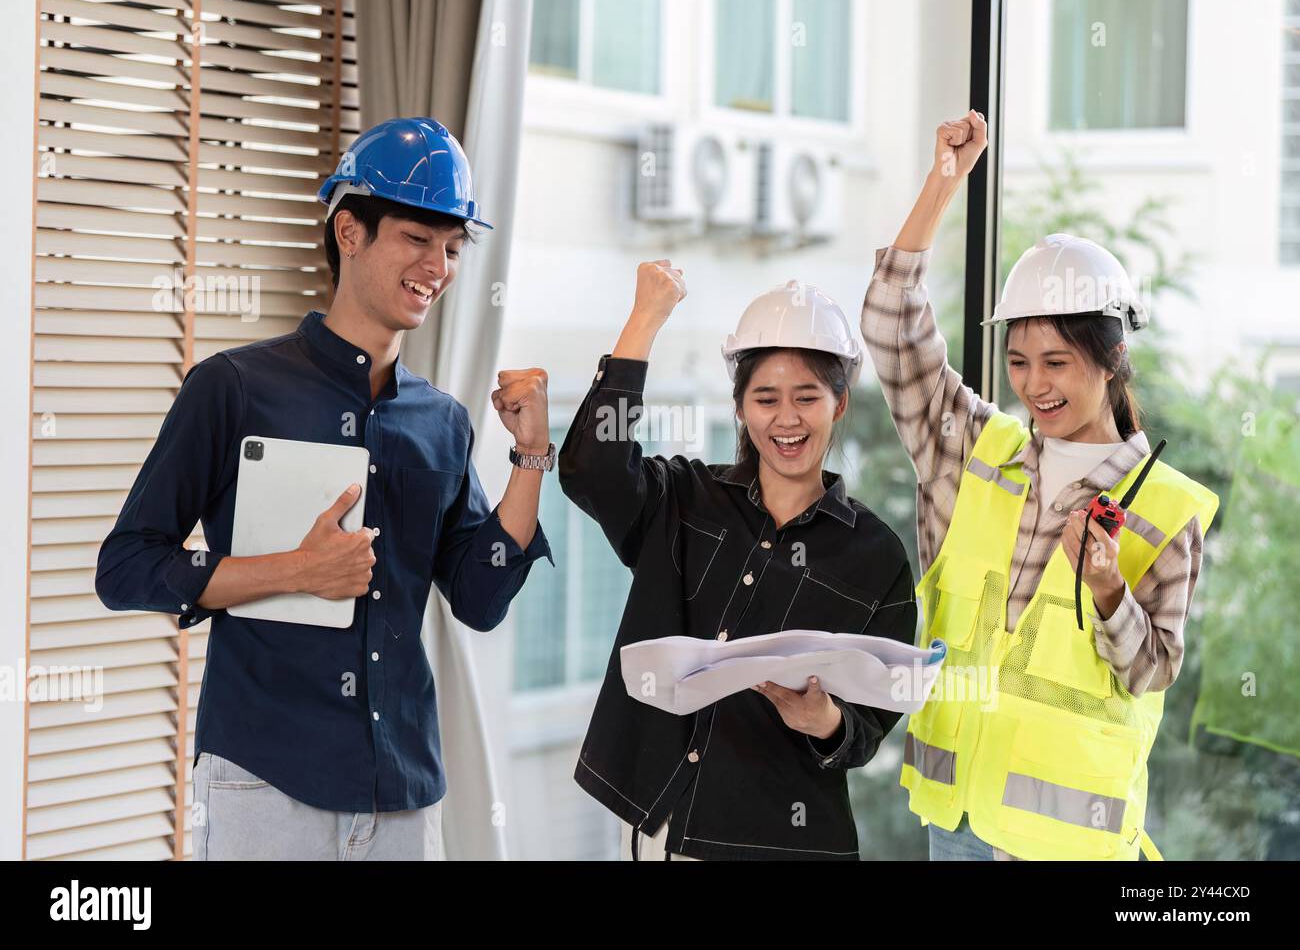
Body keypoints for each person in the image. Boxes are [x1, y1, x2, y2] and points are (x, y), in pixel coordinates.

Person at [95, 117, 555, 860]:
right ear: (350, 231)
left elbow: (480, 598)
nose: (437, 265)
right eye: (416, 238)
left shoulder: (442, 420)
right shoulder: (233, 389)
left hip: (402, 793)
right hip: (263, 783)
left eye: (453, 246)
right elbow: (124, 568)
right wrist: (294, 573)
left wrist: (530, 459)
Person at [862, 111, 1219, 860]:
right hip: (955, 825)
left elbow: (1151, 671)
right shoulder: (972, 450)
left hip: (1065, 844)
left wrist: (1109, 592)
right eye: (1019, 361)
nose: (1033, 385)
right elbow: (893, 323)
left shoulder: (1163, 510)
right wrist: (943, 182)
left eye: (1056, 362)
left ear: (1113, 358)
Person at [560, 260, 918, 860]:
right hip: (664, 831)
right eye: (766, 398)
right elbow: (591, 469)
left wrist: (824, 720)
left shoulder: (876, 555)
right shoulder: (682, 500)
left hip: (785, 842)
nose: (786, 419)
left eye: (807, 397)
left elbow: (869, 725)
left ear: (838, 403)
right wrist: (645, 318)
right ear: (741, 408)